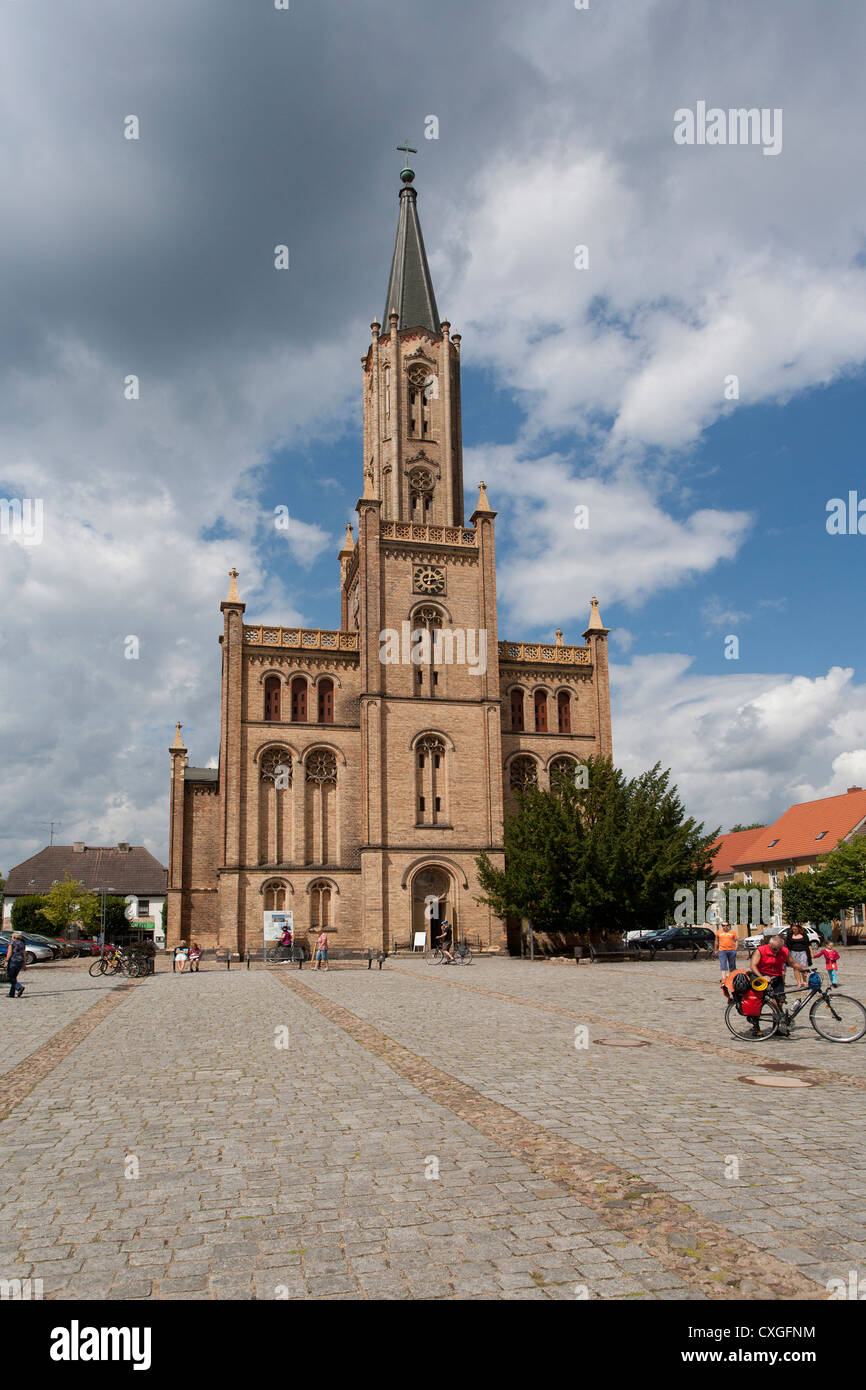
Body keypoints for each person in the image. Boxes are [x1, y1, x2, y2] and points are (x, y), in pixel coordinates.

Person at [749, 933, 795, 1005]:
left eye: (779, 949)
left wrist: (803, 969)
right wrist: (761, 977)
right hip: (763, 975)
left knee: (779, 1001)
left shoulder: (784, 951)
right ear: (770, 944)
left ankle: (777, 1015)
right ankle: (756, 1014)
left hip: (777, 977)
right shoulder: (761, 950)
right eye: (775, 949)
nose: (777, 951)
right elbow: (753, 966)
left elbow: (792, 963)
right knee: (759, 1001)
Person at [784, 922, 813, 989]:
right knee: (796, 968)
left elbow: (808, 944)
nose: (794, 930)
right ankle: (799, 983)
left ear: (799, 929)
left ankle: (805, 982)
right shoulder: (789, 936)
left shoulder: (804, 935)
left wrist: (811, 953)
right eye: (793, 929)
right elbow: (787, 946)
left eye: (795, 929)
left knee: (803, 967)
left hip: (803, 952)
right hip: (793, 952)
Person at [5, 931, 27, 999]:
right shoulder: (22, 943)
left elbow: (10, 952)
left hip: (13, 961)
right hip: (20, 962)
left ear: (13, 937)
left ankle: (19, 987)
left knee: (10, 977)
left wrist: (6, 961)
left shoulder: (12, 943)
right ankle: (11, 994)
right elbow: (24, 954)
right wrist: (24, 964)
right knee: (14, 977)